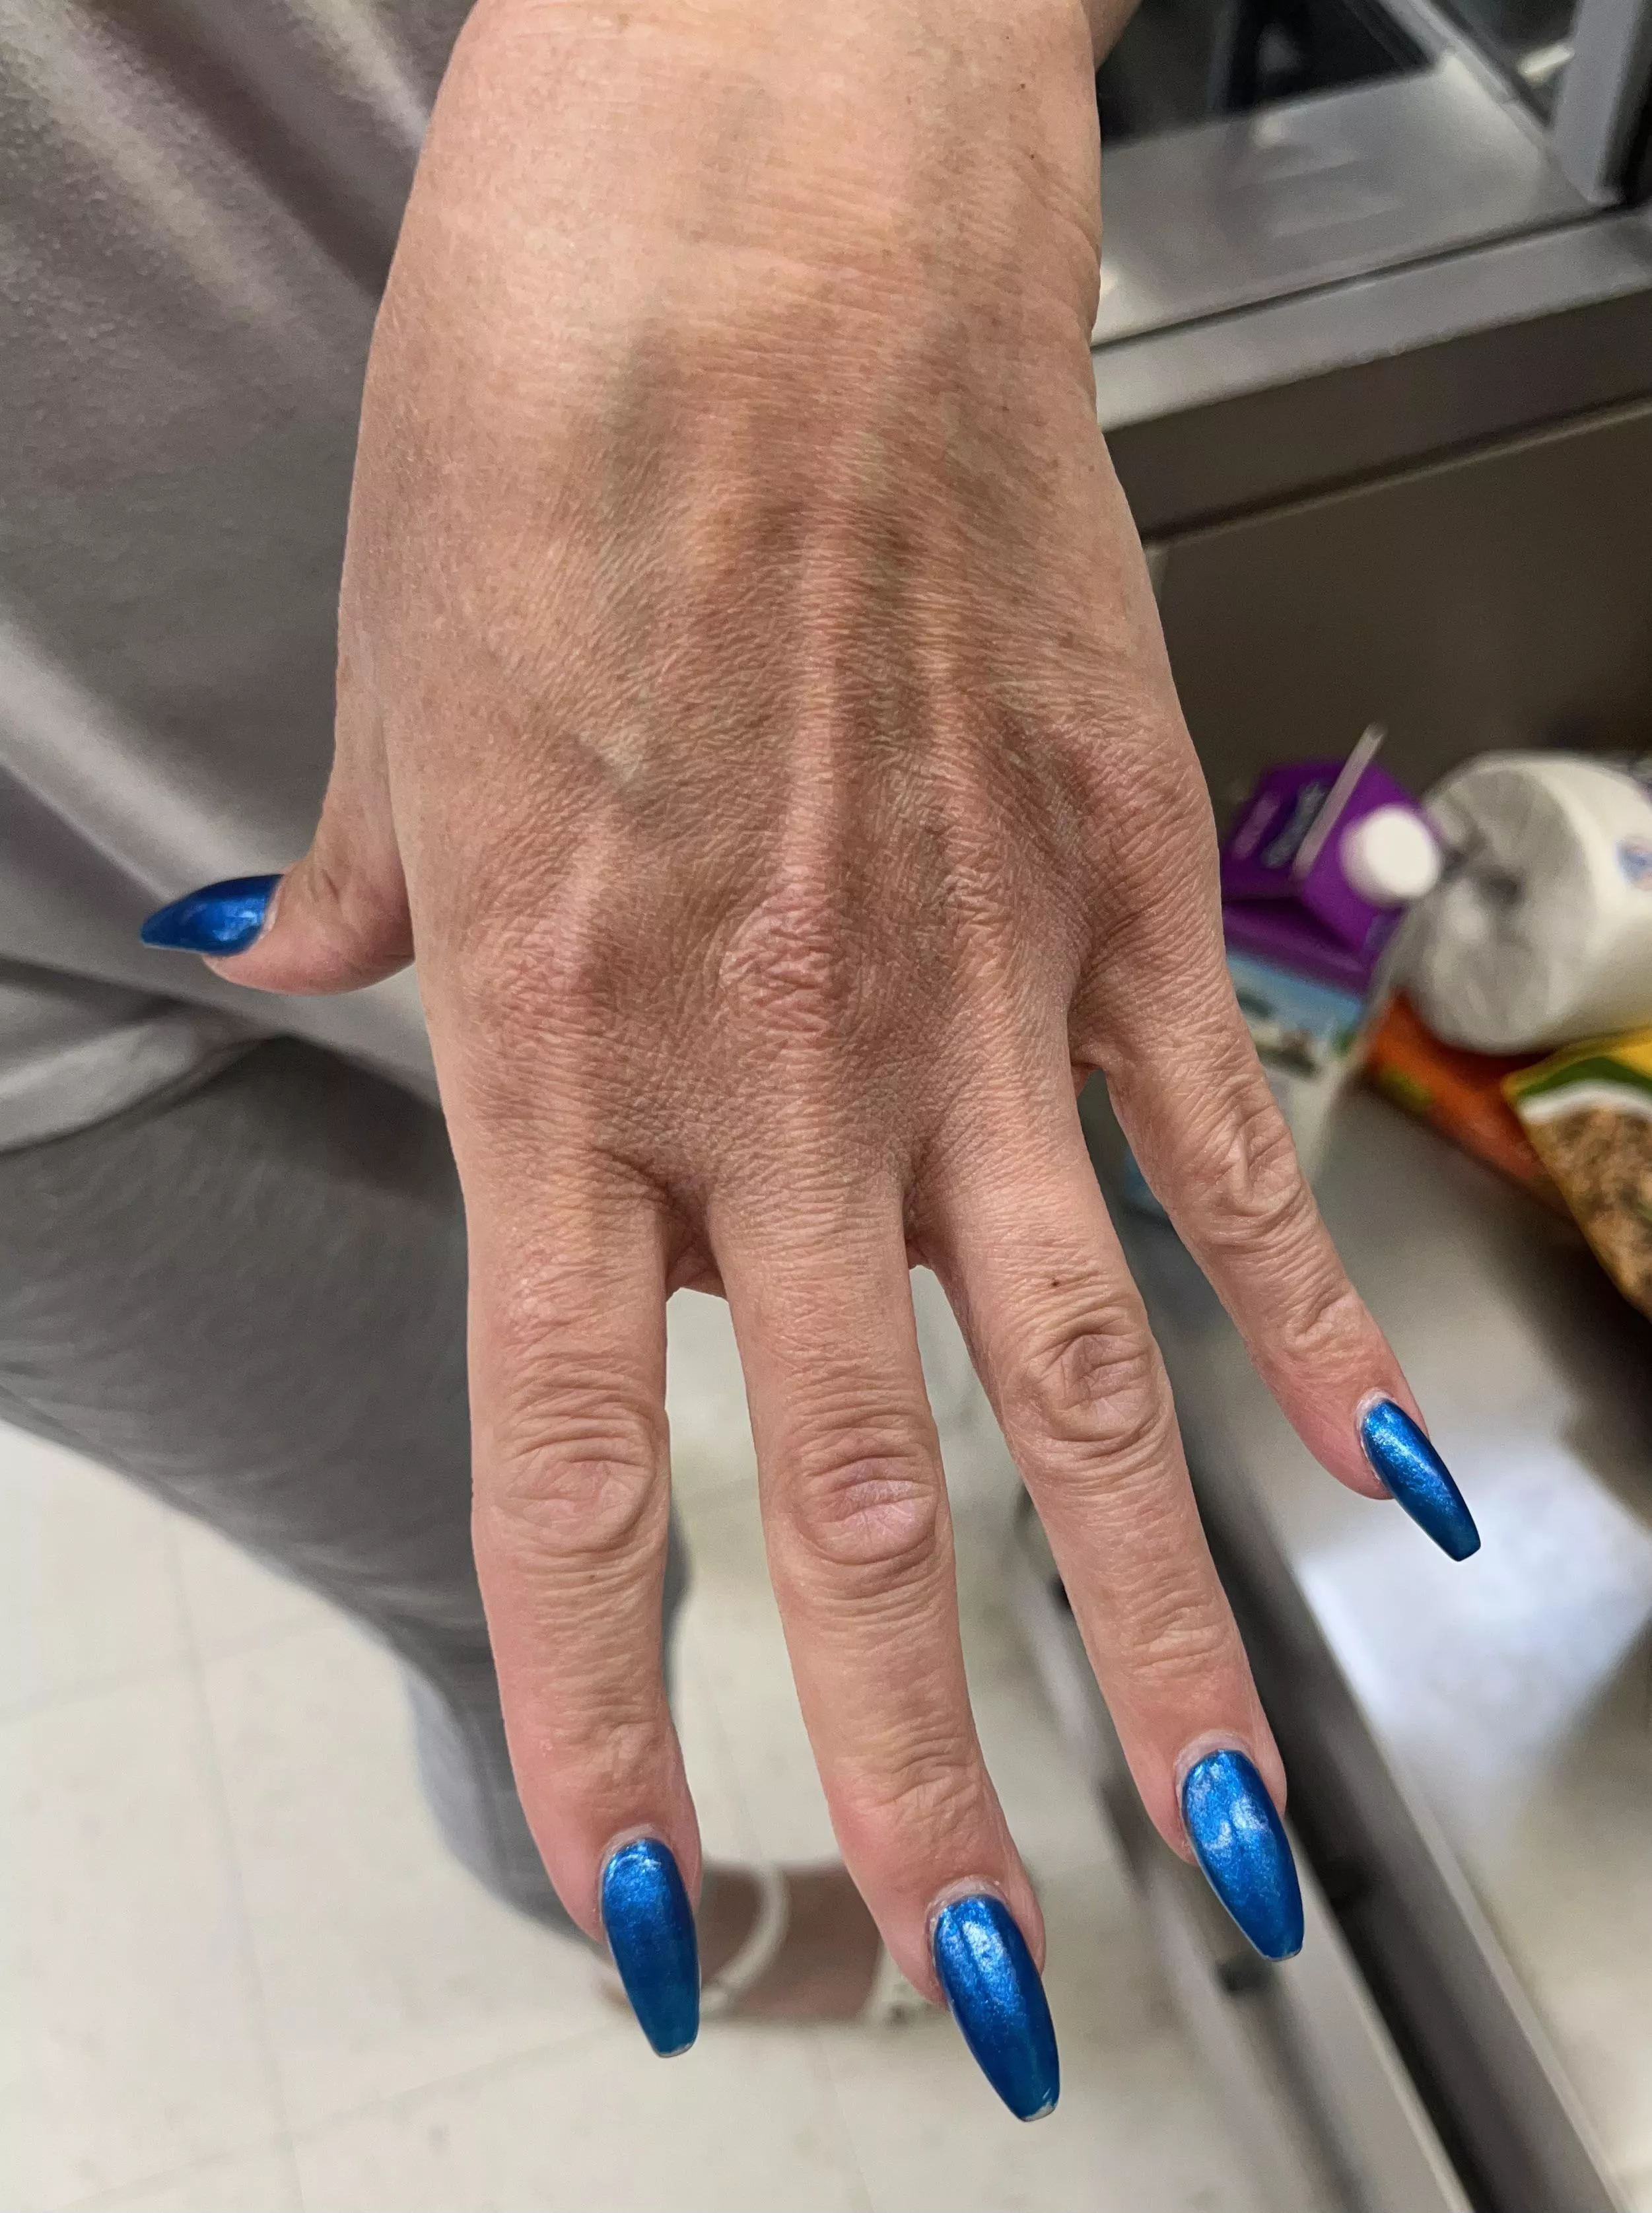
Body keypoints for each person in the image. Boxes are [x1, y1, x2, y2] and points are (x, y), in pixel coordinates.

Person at [0, 0, 1478, 2122]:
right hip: (35, 992)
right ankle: (640, 1912)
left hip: (734, 562)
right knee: (498, 1543)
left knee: (837, 1325)